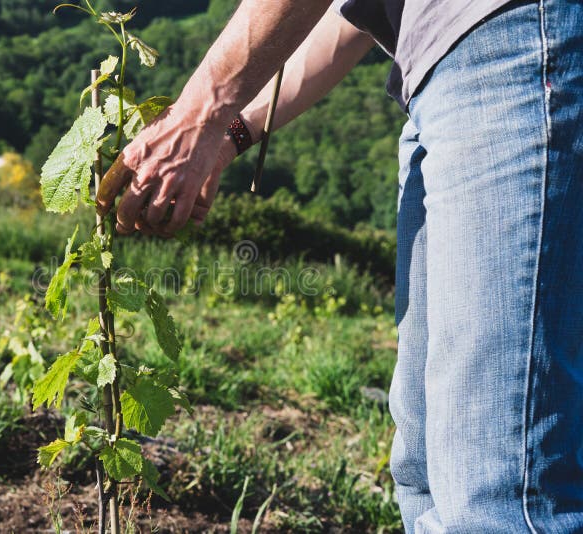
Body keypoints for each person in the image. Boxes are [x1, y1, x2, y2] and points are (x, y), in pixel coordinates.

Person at [95, 0, 583, 531]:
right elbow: (345, 20)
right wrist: (230, 134)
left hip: (510, 47)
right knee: (425, 467)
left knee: (496, 479)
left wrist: (196, 116)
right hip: (436, 78)